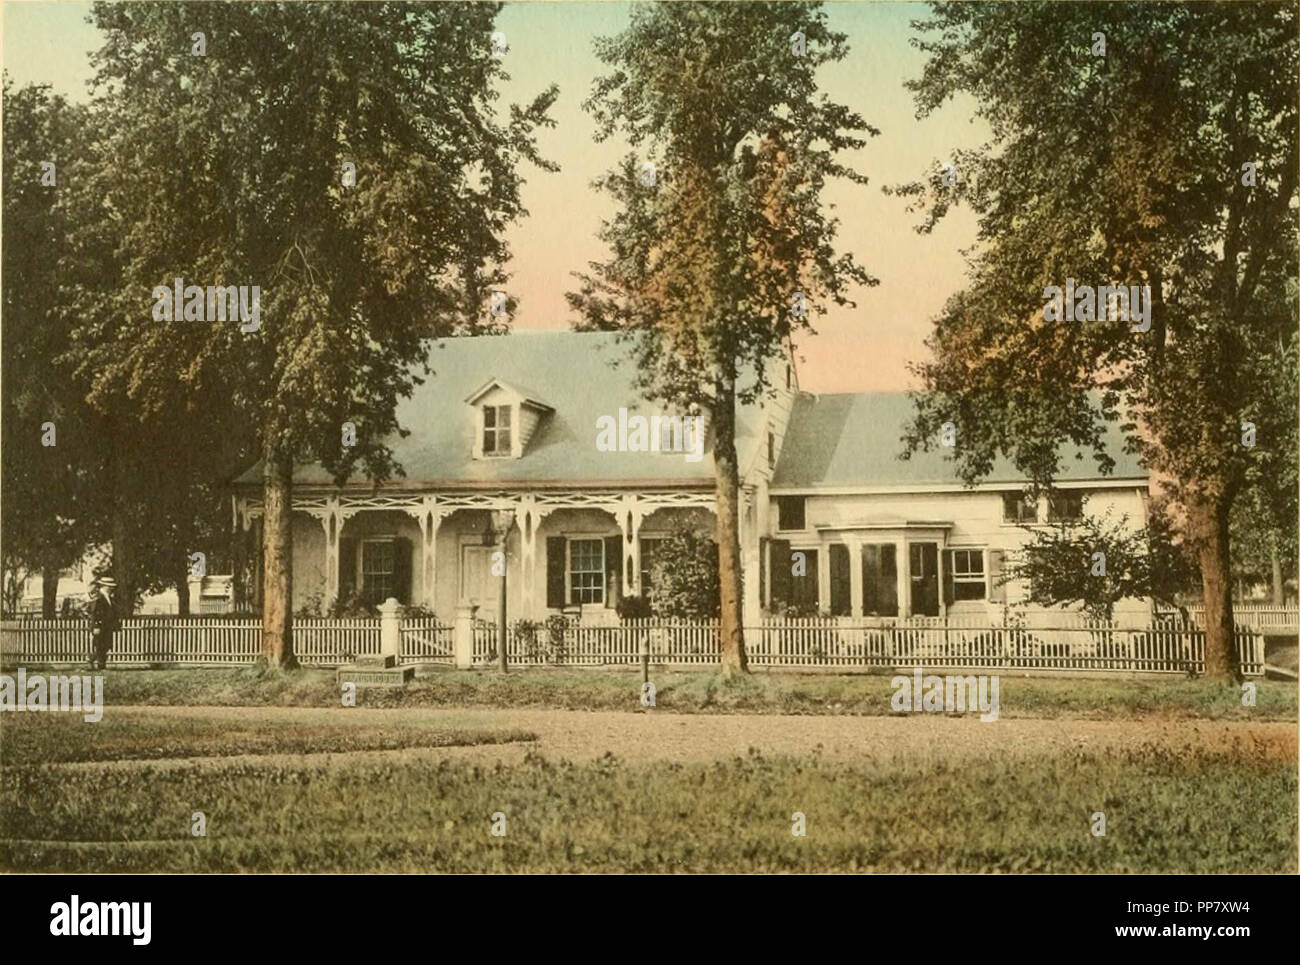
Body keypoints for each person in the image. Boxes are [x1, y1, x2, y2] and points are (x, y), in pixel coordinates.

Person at [88, 575, 119, 670]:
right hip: (100, 626)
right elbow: (95, 612)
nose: (111, 588)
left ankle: (97, 662)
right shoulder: (98, 597)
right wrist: (96, 625)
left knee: (105, 645)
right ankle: (97, 664)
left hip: (107, 626)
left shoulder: (108, 597)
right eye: (110, 586)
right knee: (100, 645)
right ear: (105, 586)